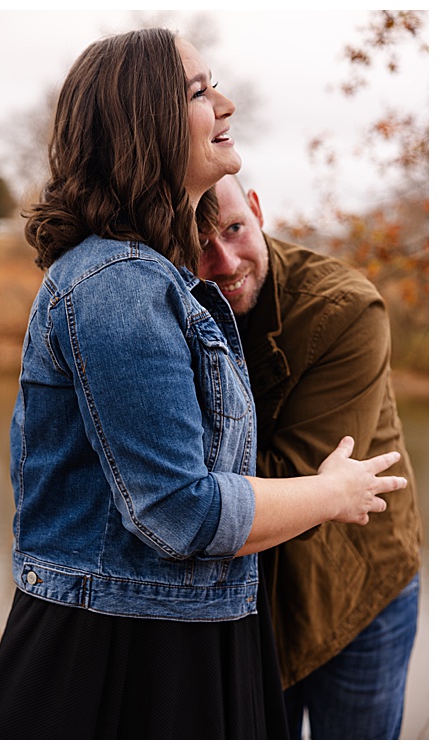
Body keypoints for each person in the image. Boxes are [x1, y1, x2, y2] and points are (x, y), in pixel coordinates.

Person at [0, 29, 406, 739]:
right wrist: (332, 493)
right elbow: (180, 510)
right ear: (147, 124)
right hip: (120, 648)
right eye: (199, 92)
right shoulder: (118, 285)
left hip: (175, 622)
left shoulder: (161, 280)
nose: (224, 104)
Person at [199, 174, 422, 739]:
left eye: (233, 229)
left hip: (355, 585)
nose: (224, 261)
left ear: (256, 207)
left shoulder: (345, 310)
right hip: (244, 592)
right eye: (198, 244)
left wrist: (177, 486)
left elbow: (298, 485)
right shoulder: (168, 306)